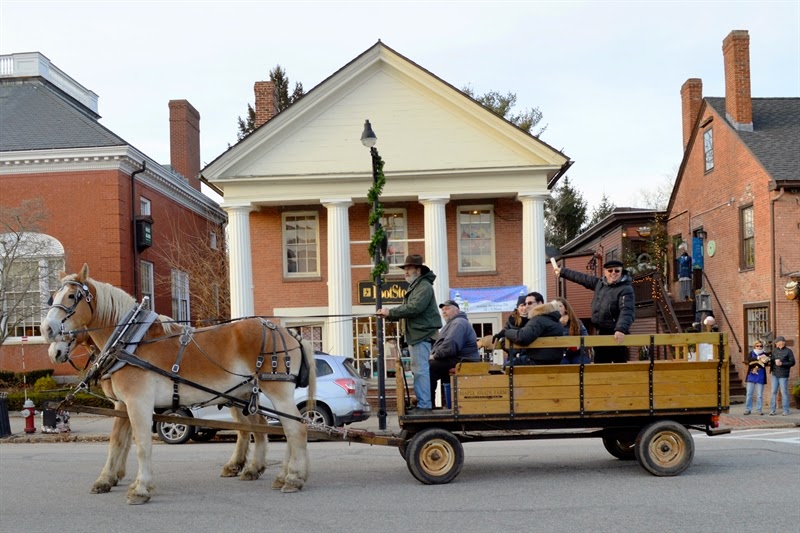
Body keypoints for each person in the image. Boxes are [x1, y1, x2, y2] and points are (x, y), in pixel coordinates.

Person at [377, 254, 442, 412]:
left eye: (409, 268)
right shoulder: (417, 286)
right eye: (405, 269)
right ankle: (423, 403)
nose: (406, 272)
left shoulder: (424, 287)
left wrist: (390, 312)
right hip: (417, 336)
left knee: (420, 371)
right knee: (418, 370)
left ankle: (424, 406)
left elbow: (414, 308)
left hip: (421, 336)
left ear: (418, 271)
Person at [553, 259, 635, 363]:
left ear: (621, 272)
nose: (613, 273)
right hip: (600, 331)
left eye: (617, 271)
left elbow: (627, 310)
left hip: (615, 333)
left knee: (618, 365)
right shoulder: (600, 284)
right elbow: (581, 278)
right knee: (600, 364)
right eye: (610, 271)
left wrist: (621, 329)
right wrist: (563, 272)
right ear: (605, 272)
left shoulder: (626, 289)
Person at [429, 299, 479, 403]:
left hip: (463, 360)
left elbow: (450, 345)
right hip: (457, 359)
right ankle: (436, 402)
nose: (444, 311)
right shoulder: (452, 323)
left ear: (457, 310)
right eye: (443, 309)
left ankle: (427, 404)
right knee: (430, 365)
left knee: (428, 368)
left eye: (447, 308)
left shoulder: (459, 323)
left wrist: (434, 356)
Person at [552, 297, 590, 364]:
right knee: (562, 364)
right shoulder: (550, 322)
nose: (557, 308)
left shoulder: (576, 321)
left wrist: (578, 346)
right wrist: (559, 324)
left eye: (560, 306)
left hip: (577, 352)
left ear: (565, 308)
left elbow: (585, 335)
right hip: (559, 354)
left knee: (582, 362)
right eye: (555, 306)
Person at [768, 336, 795, 416]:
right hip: (775, 374)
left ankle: (786, 410)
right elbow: (772, 360)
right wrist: (768, 360)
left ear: (781, 342)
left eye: (776, 342)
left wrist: (782, 364)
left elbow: (792, 362)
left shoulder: (788, 351)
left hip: (783, 374)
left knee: (784, 392)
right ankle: (772, 410)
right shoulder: (774, 351)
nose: (776, 344)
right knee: (773, 392)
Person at [743, 340, 768, 415]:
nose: (759, 347)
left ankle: (759, 410)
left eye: (761, 346)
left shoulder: (765, 354)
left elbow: (765, 363)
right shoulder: (752, 353)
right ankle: (748, 409)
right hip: (751, 374)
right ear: (755, 346)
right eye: (758, 346)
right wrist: (758, 358)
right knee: (749, 394)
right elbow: (749, 360)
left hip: (760, 374)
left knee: (759, 394)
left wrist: (756, 367)